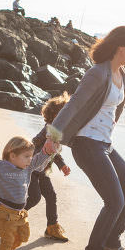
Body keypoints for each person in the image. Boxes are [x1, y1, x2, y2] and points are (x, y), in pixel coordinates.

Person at [44, 26, 125, 250]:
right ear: (121, 47)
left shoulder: (122, 74)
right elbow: (74, 104)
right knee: (114, 200)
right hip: (86, 143)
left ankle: (111, 241)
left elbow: (115, 108)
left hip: (104, 144)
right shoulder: (97, 73)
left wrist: (111, 126)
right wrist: (53, 136)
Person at [26, 93, 71, 241]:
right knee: (34, 197)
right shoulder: (49, 129)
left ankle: (52, 227)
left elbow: (54, 152)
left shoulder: (57, 131)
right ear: (53, 115)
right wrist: (29, 155)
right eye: (63, 113)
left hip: (43, 172)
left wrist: (62, 165)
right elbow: (34, 142)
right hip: (32, 169)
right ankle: (13, 215)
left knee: (51, 196)